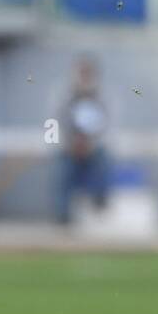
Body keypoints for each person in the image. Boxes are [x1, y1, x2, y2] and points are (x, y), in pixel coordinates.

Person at [56, 56, 110, 223]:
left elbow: (108, 126)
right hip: (69, 148)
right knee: (62, 170)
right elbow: (53, 123)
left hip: (94, 148)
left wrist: (89, 145)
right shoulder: (63, 95)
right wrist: (70, 145)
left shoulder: (104, 96)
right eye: (81, 72)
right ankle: (63, 216)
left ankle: (99, 208)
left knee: (103, 163)